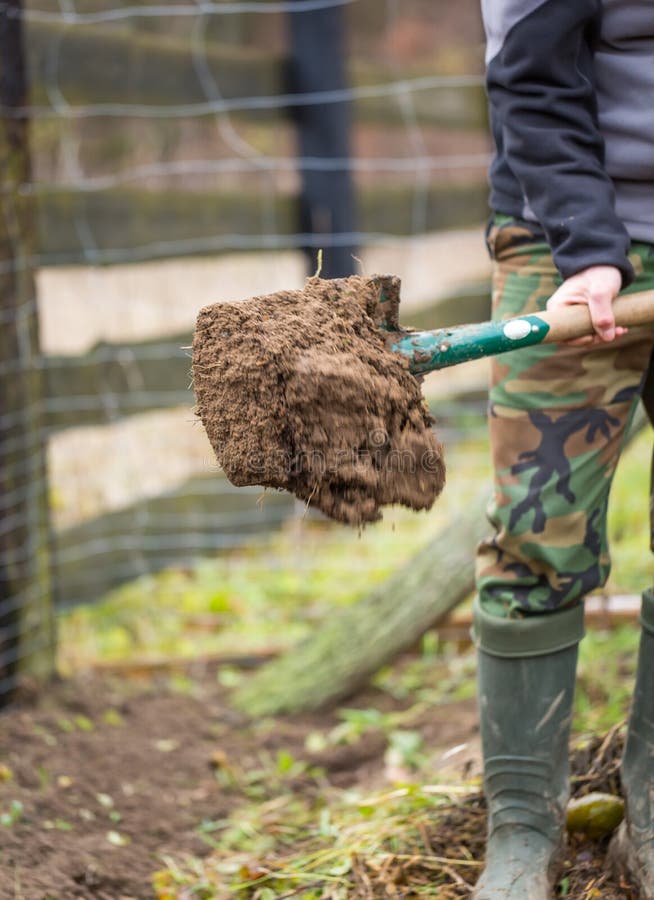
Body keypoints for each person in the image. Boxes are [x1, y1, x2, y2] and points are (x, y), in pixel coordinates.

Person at [473, 3, 654, 897]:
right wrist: (592, 247)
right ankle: (519, 830)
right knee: (535, 531)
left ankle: (651, 810)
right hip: (568, 229)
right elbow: (533, 75)